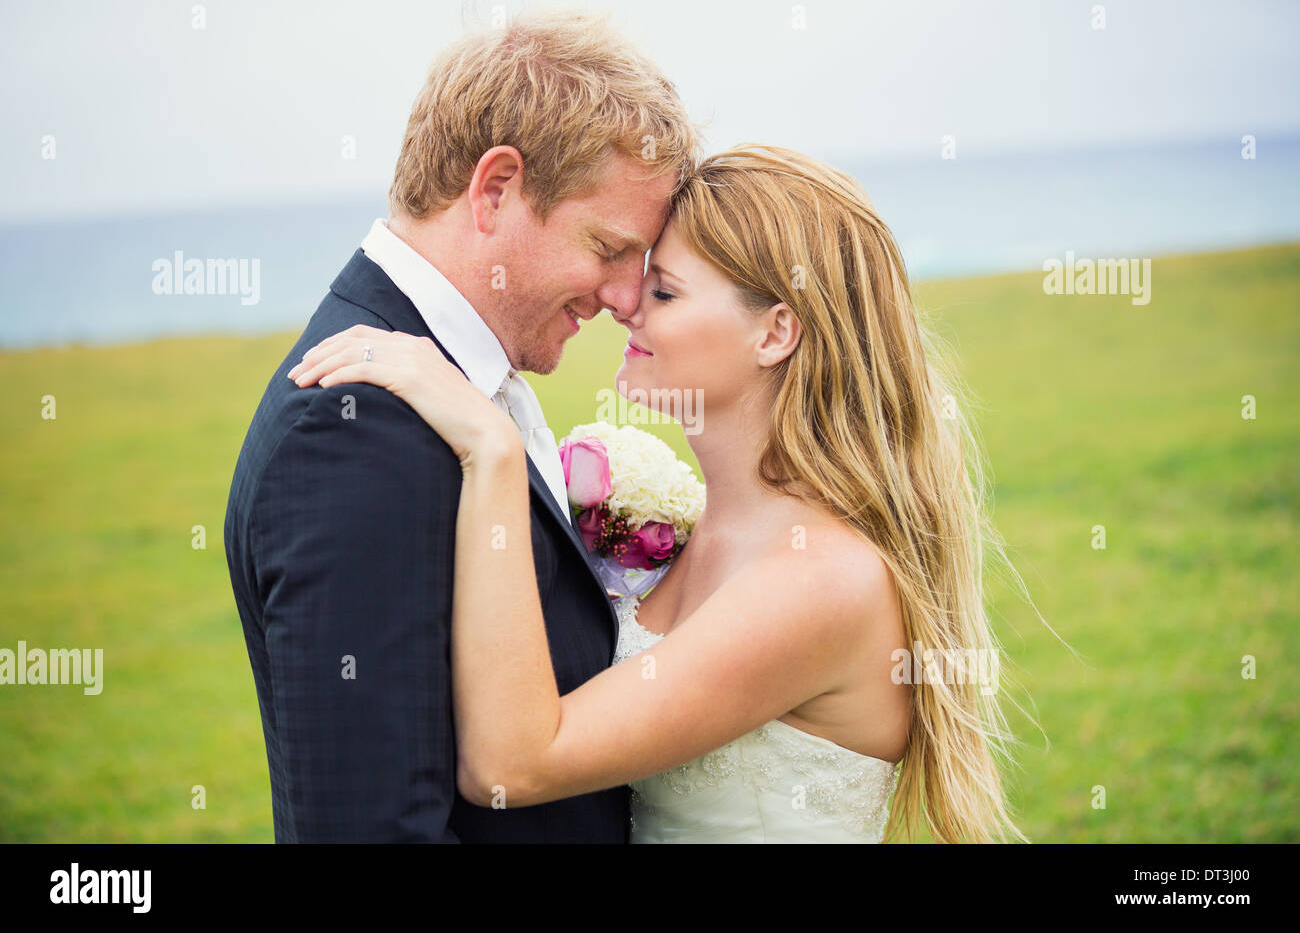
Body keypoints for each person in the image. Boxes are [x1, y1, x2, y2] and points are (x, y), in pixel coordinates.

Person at [288, 144, 1029, 843]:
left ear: (776, 333)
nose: (626, 306)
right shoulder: (700, 532)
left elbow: (513, 767)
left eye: (664, 291)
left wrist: (491, 448)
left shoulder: (824, 578)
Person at [223, 10, 700, 842]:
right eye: (609, 247)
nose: (628, 299)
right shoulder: (354, 432)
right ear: (497, 189)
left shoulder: (456, 385)